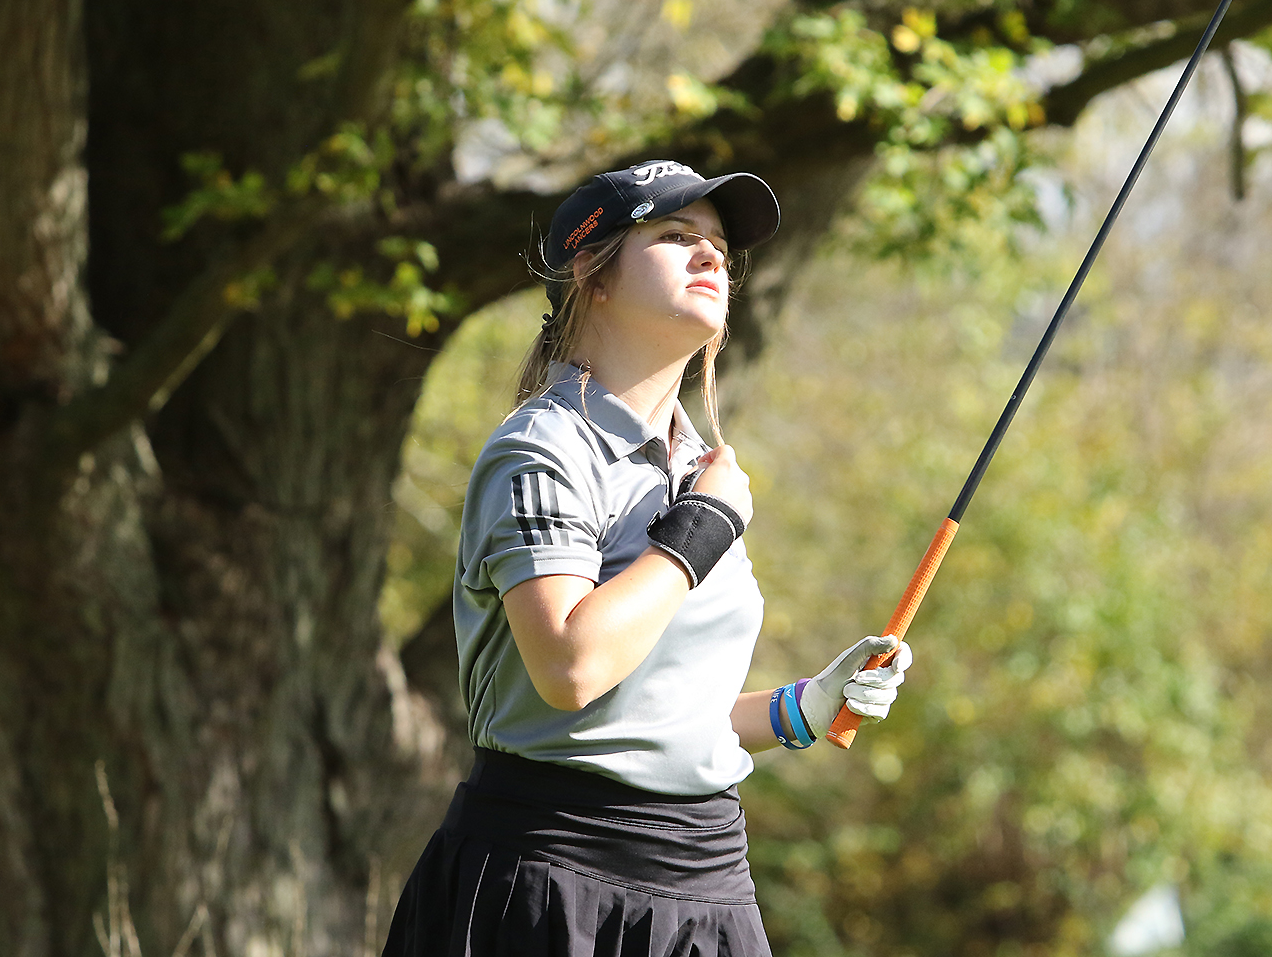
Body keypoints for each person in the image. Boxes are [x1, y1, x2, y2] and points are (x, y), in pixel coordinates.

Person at [381, 160, 913, 956]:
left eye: (720, 248)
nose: (713, 258)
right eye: (676, 236)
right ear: (592, 272)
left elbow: (657, 717)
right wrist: (701, 528)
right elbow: (571, 669)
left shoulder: (698, 466)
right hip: (553, 883)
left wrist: (804, 706)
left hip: (709, 887)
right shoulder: (542, 447)